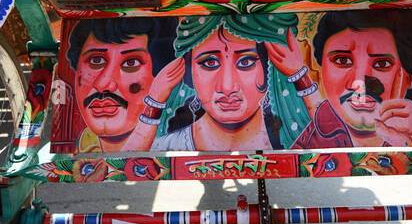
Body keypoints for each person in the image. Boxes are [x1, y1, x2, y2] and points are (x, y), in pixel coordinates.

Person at [124, 13, 308, 153]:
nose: (227, 87)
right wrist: (155, 99)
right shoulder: (167, 146)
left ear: (270, 66)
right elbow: (125, 165)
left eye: (245, 62)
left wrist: (300, 76)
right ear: (188, 72)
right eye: (209, 63)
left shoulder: (299, 140)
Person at [292, 10, 412, 148]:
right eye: (342, 60)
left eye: (381, 64)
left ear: (409, 77)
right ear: (322, 70)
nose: (359, 83)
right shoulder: (311, 139)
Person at [65, 18, 176, 152]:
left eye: (131, 63)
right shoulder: (79, 148)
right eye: (96, 60)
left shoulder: (182, 142)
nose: (103, 85)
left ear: (162, 76)